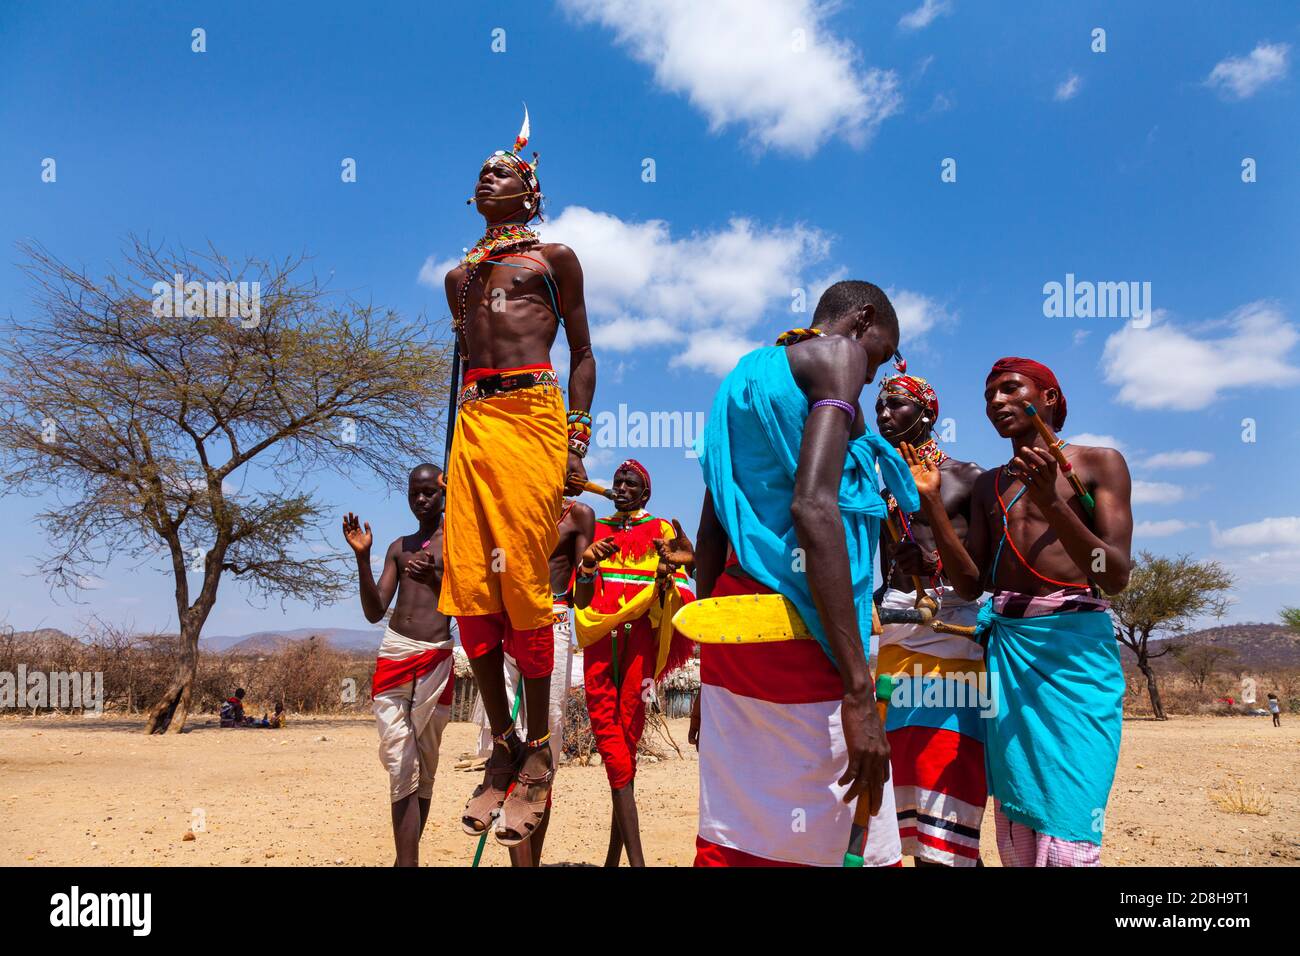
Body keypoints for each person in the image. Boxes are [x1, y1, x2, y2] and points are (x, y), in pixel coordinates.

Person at [688, 280, 915, 867]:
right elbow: (813, 506)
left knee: (741, 827)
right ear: (861, 321)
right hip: (809, 627)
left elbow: (714, 525)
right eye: (879, 358)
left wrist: (705, 661)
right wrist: (860, 691)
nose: (869, 378)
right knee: (843, 834)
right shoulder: (837, 354)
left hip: (737, 629)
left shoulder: (740, 379)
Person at [906, 357, 1133, 867]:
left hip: (1075, 654)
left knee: (1076, 792)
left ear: (1049, 398)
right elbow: (972, 584)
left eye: (1011, 389)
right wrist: (935, 507)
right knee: (1017, 806)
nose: (997, 402)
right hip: (1009, 654)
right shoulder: (989, 484)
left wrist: (1052, 500)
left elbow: (1113, 573)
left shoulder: (1100, 463)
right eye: (989, 395)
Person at [440, 108, 597, 847]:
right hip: (474, 425)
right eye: (481, 171)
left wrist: (577, 437)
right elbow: (462, 371)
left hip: (534, 416)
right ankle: (501, 741)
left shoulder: (553, 260)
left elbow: (583, 353)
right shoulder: (459, 278)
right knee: (469, 585)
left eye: (502, 169)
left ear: (530, 193)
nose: (486, 175)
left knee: (525, 581)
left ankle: (539, 746)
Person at [874, 371, 988, 867]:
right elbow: (887, 577)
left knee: (947, 789)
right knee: (904, 799)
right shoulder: (884, 491)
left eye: (895, 404)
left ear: (927, 413)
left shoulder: (969, 477)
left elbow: (978, 577)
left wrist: (935, 563)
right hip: (898, 640)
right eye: (878, 406)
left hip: (954, 639)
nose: (883, 414)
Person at [572, 459, 695, 867]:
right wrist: (588, 565)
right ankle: (629, 862)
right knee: (608, 732)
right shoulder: (596, 528)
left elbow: (675, 590)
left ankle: (617, 860)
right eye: (619, 482)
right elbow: (581, 595)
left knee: (628, 729)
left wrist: (668, 573)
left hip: (640, 639)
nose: (622, 488)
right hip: (596, 637)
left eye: (632, 484)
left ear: (645, 494)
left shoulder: (659, 529)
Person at [469, 496, 596, 865]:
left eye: (578, 459)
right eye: (568, 457)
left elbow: (582, 600)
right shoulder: (511, 500)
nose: (576, 469)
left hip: (552, 622)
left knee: (542, 750)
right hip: (506, 619)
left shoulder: (579, 515)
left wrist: (586, 569)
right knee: (507, 744)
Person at [344, 463, 455, 867]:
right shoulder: (398, 546)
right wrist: (363, 558)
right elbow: (375, 611)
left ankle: (404, 861)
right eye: (414, 494)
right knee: (398, 759)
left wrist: (436, 581)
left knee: (424, 767)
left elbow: (471, 602)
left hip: (437, 657)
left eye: (429, 493)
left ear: (444, 495)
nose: (422, 500)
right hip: (395, 654)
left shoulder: (460, 544)